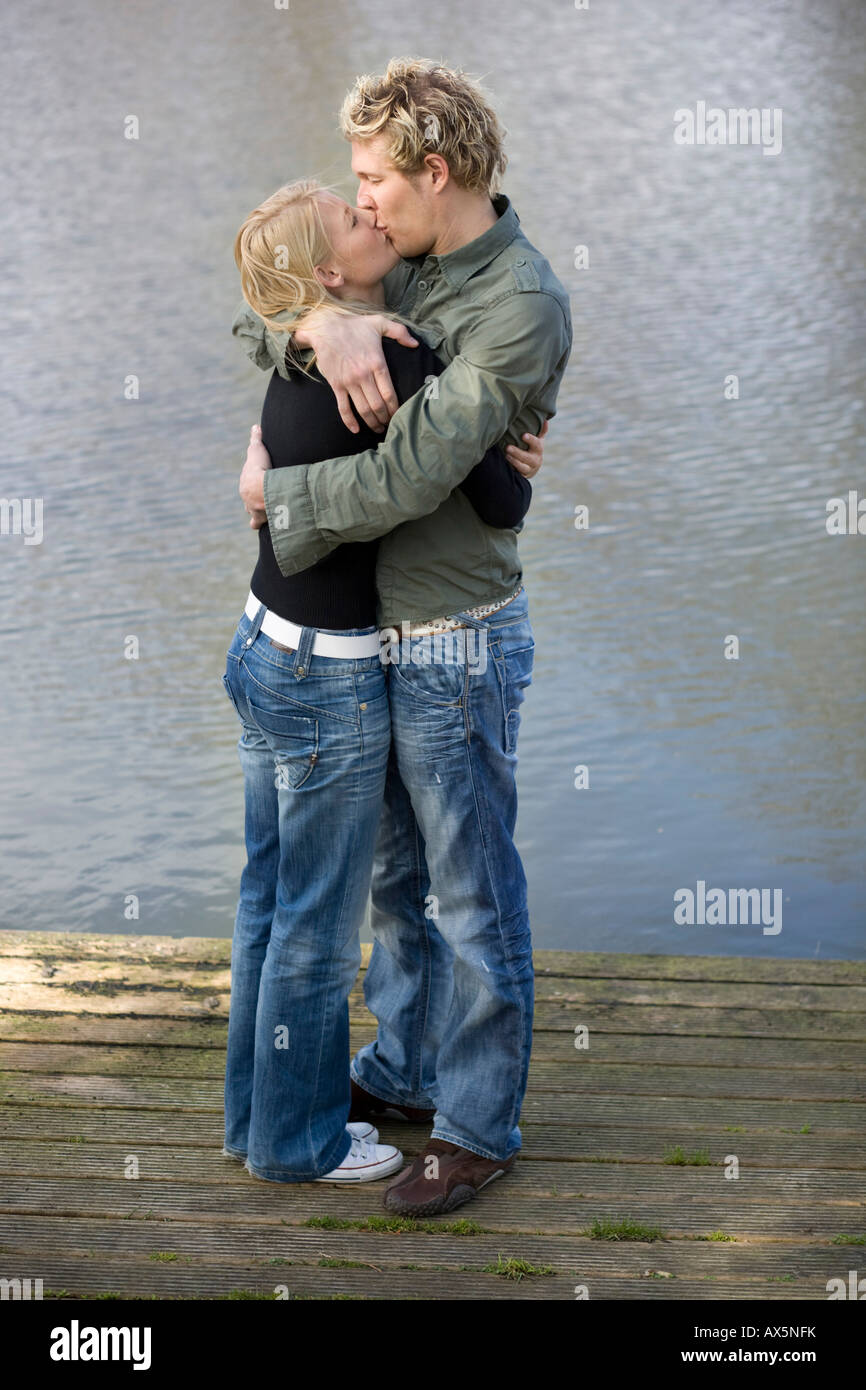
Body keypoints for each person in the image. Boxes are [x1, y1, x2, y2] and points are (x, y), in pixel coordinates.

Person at [235, 58, 573, 1215]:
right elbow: (263, 296)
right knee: (393, 886)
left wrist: (281, 504)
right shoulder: (406, 265)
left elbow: (415, 470)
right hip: (368, 643)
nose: (362, 198)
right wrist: (321, 323)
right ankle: (405, 1066)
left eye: (374, 178)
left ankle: (478, 1124)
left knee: (471, 891)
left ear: (437, 173)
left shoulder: (516, 305)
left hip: (453, 641)